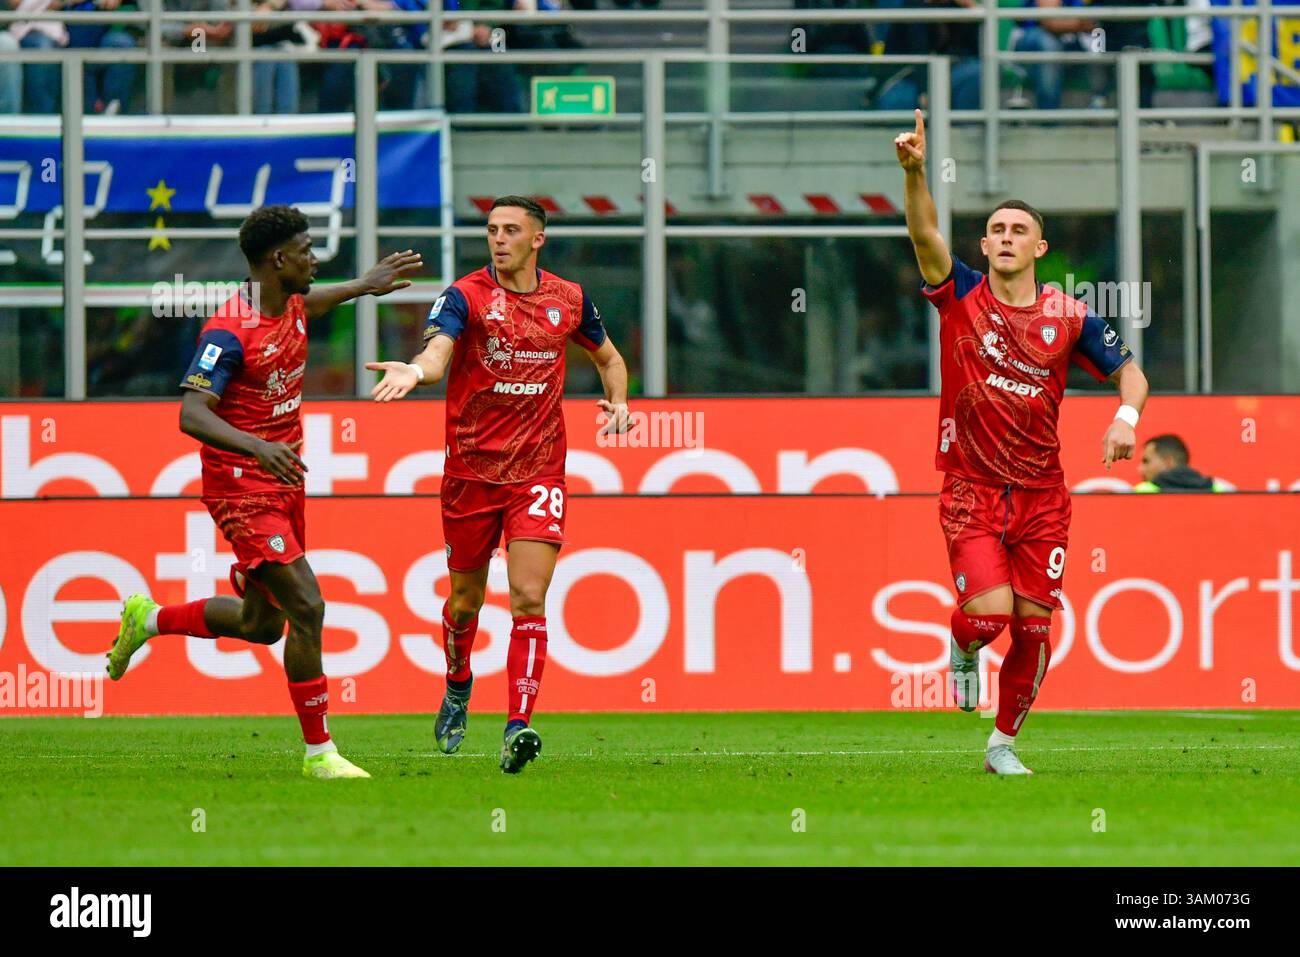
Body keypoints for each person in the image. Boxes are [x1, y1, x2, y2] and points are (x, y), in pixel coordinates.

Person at [106, 205, 422, 780]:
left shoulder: (294, 305)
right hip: (241, 485)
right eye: (306, 250)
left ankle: (148, 620)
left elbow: (316, 302)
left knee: (263, 626)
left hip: (282, 480)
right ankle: (319, 754)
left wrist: (364, 286)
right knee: (309, 606)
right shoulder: (227, 330)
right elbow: (191, 413)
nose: (314, 258)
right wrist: (256, 446)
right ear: (278, 260)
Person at [895, 109, 1150, 775]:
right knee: (987, 617)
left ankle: (1001, 744)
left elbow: (1131, 371)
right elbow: (924, 234)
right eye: (997, 230)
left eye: (1019, 231)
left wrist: (1125, 420)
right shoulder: (960, 297)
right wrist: (916, 172)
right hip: (972, 490)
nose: (1006, 238)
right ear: (983, 246)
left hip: (1043, 497)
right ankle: (961, 649)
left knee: (1035, 627)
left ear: (1040, 248)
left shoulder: (1069, 316)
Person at [365, 195, 630, 774]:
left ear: (539, 239)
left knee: (529, 597)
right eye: (491, 230)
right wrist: (415, 369)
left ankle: (518, 727)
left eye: (511, 230)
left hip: (538, 471)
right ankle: (458, 682)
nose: (498, 239)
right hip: (469, 475)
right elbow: (438, 354)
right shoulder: (465, 296)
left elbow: (609, 359)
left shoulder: (570, 298)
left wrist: (618, 402)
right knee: (465, 603)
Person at [1134, 433, 1228, 492]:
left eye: (1146, 461)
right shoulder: (1221, 490)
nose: (1140, 469)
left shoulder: (1142, 492)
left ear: (1168, 463)